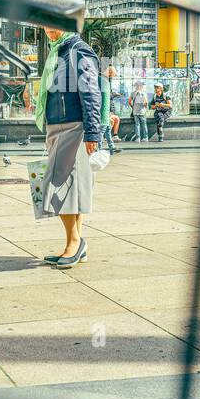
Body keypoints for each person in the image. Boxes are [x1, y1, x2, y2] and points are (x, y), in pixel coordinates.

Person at [34, 26, 101, 267]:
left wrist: (93, 131)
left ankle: (75, 242)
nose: (49, 29)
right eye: (45, 24)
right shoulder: (58, 51)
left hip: (73, 127)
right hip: (58, 125)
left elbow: (91, 92)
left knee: (57, 187)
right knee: (73, 187)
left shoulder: (78, 51)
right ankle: (74, 245)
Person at [99, 66, 118, 153]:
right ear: (110, 72)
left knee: (108, 129)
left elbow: (107, 99)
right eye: (113, 75)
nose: (113, 77)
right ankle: (98, 150)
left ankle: (112, 147)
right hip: (102, 113)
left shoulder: (105, 81)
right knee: (101, 131)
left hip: (105, 113)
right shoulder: (102, 81)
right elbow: (102, 99)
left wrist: (109, 114)